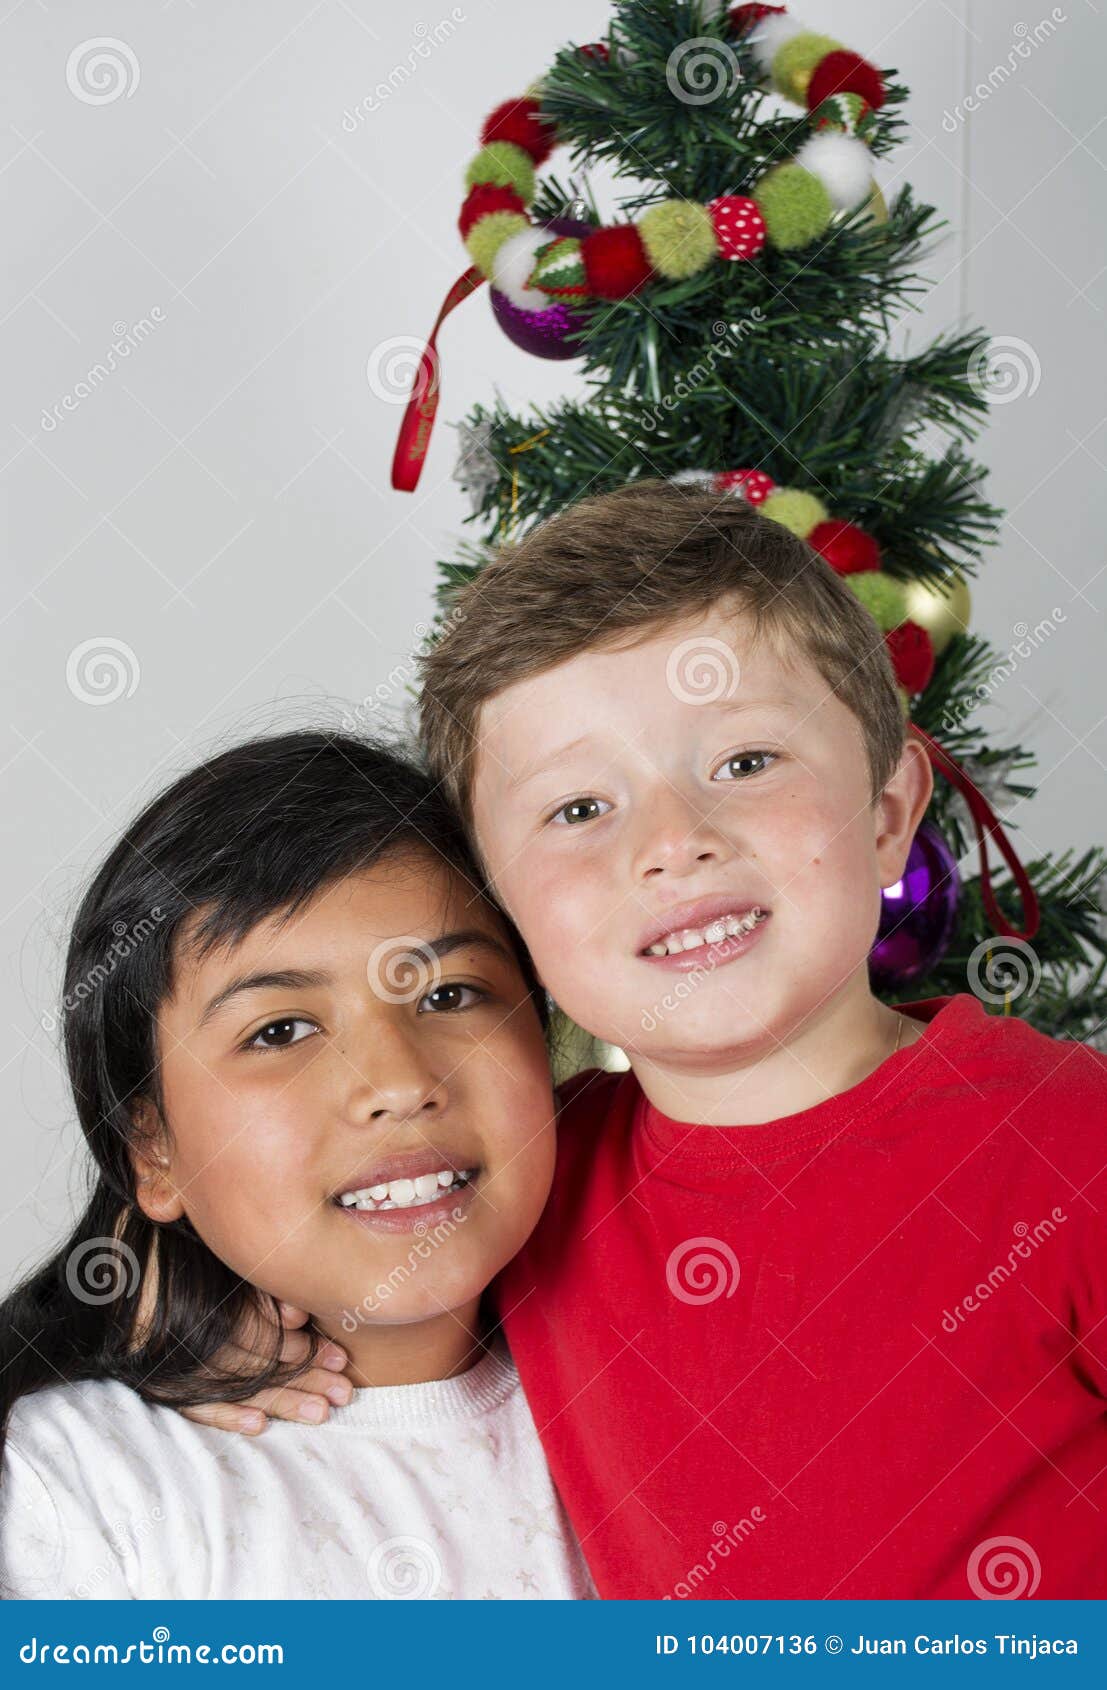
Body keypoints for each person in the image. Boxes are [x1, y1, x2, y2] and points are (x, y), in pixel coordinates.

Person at [412, 478, 1107, 1600]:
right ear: (500, 906)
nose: (673, 843)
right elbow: (329, 1269)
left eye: (744, 762)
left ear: (887, 814)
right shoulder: (529, 1175)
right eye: (580, 809)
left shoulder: (1072, 1142)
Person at [0, 731, 594, 1600]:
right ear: (150, 1150)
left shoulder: (658, 1383)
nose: (397, 1083)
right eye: (280, 1031)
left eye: (449, 994)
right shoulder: (78, 1489)